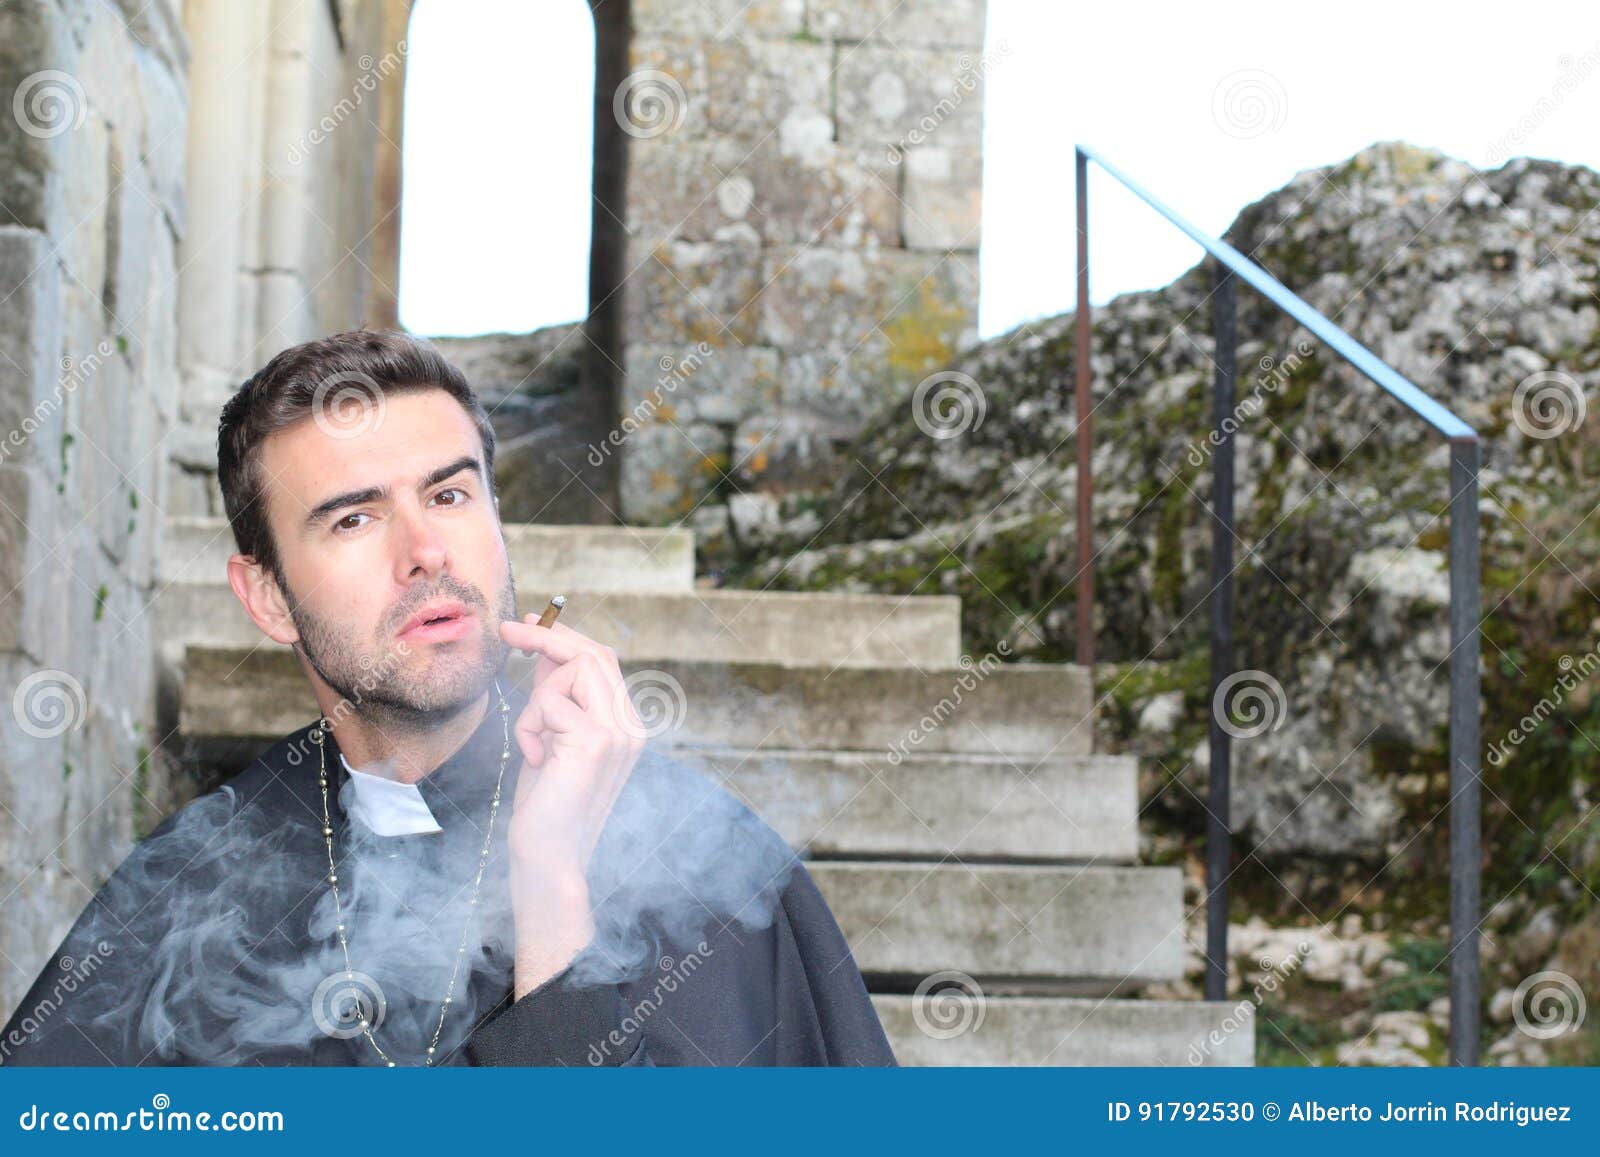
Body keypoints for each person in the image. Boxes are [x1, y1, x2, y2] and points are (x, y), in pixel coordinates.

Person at [0, 330, 895, 1067]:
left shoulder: (714, 873)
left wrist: (552, 898)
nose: (426, 548)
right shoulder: (189, 886)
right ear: (267, 594)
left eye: (451, 493)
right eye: (353, 517)